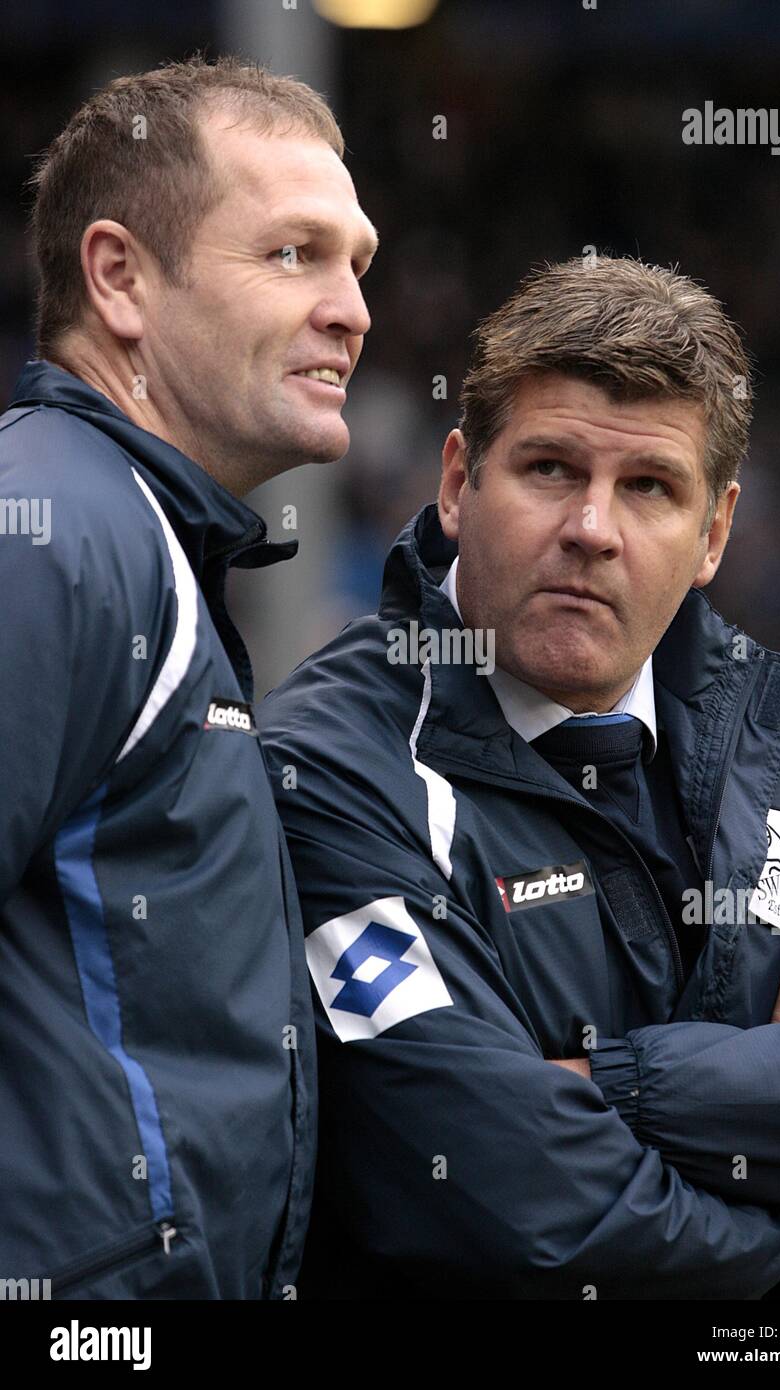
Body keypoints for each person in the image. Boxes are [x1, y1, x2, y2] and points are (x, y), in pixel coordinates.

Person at [259, 256, 780, 1300]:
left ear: (714, 534)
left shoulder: (775, 745)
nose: (593, 529)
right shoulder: (329, 768)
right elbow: (510, 1202)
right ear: (459, 482)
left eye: (649, 488)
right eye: (550, 469)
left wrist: (630, 1088)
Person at [0, 55, 376, 1298]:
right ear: (120, 278)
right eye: (293, 255)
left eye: (356, 264)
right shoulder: (55, 530)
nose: (351, 308)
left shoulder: (128, 528)